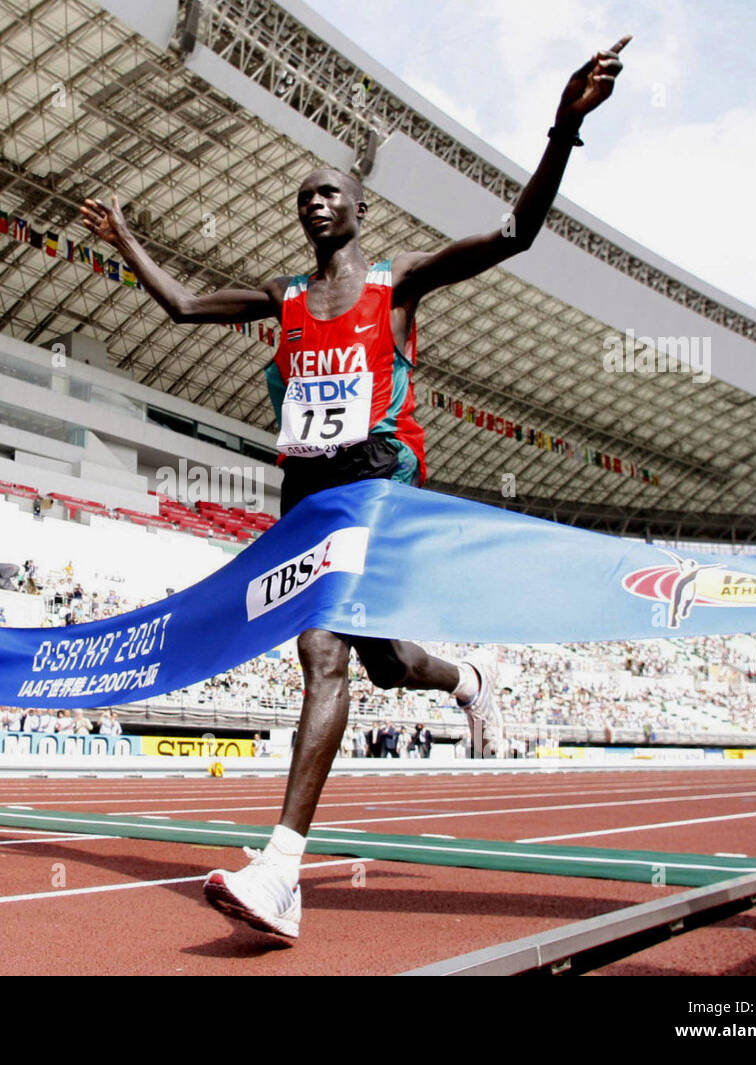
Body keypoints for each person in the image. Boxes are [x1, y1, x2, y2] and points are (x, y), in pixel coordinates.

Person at [80, 36, 629, 939]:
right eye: (304, 197)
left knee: (323, 652)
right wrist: (129, 237)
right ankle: (467, 674)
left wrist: (562, 129)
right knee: (382, 661)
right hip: (309, 492)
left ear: (361, 207)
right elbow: (181, 305)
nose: (317, 201)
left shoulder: (397, 282)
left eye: (331, 191)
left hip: (379, 479)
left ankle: (281, 872)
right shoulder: (285, 296)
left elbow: (514, 233)